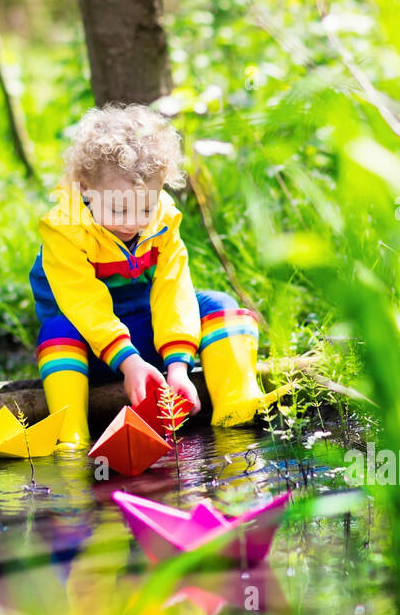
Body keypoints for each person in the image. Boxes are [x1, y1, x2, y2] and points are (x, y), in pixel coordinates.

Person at [29, 104, 286, 446]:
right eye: (119, 209)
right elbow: (84, 305)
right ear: (85, 187)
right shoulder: (65, 232)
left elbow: (174, 291)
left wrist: (179, 365)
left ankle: (237, 409)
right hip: (92, 351)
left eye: (145, 208)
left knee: (219, 304)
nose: (133, 222)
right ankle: (70, 437)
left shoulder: (163, 222)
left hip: (153, 335)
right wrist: (128, 361)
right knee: (57, 328)